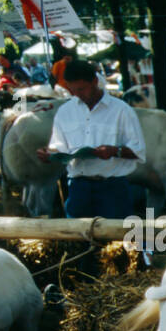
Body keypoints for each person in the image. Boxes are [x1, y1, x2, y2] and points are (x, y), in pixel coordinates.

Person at [36, 58, 145, 220]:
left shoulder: (122, 111)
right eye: (73, 91)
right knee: (78, 238)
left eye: (82, 89)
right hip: (78, 187)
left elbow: (139, 151)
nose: (78, 95)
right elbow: (58, 146)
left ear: (94, 81)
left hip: (113, 188)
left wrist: (114, 151)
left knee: (117, 239)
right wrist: (49, 154)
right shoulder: (65, 111)